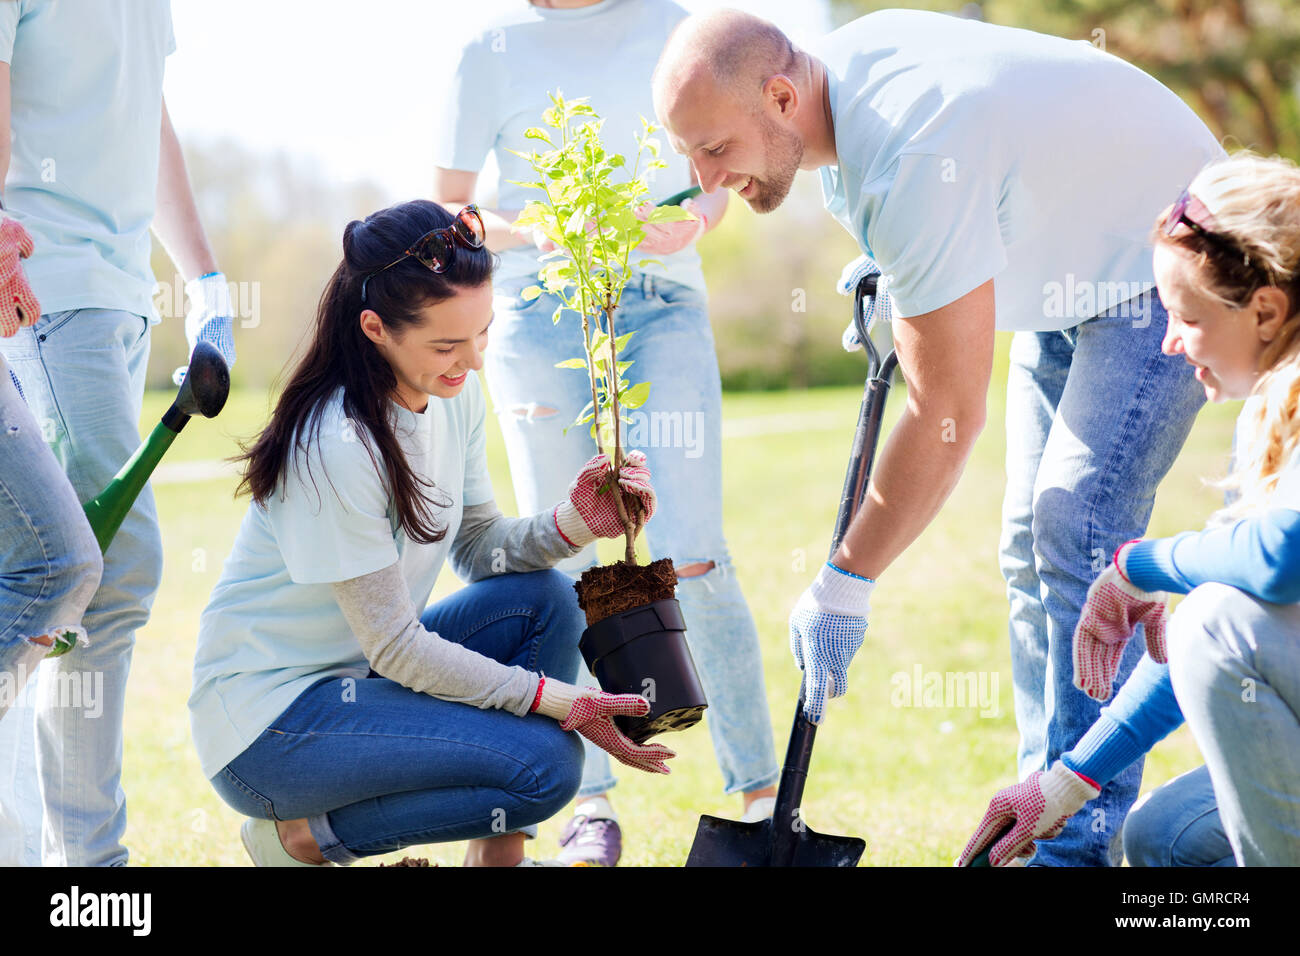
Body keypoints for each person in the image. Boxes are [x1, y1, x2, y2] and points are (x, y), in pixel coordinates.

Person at [653, 8, 1224, 865]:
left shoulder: (908, 142)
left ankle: (1074, 849)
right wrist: (897, 269)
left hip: (1167, 256)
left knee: (1077, 525)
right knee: (1028, 545)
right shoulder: (830, 87)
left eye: (715, 149)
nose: (703, 177)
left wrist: (847, 579)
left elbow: (947, 412)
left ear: (779, 96)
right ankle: (1040, 812)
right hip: (1068, 265)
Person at [189, 199, 676, 867]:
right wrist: (562, 701)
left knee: (545, 602)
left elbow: (480, 548)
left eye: (482, 335)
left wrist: (576, 524)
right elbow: (396, 647)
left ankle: (497, 861)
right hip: (271, 729)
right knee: (547, 765)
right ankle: (300, 838)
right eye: (447, 345)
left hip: (361, 680)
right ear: (376, 329)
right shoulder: (336, 444)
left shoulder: (452, 393)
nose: (473, 362)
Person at [432, 0, 778, 866]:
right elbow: (448, 215)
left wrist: (694, 219)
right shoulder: (487, 50)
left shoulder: (678, 24)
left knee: (695, 551)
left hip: (662, 304)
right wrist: (538, 230)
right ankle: (590, 807)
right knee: (570, 558)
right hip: (539, 317)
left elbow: (716, 175)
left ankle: (763, 800)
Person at [959, 153, 1300, 867]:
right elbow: (1234, 599)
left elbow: (1276, 559)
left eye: (1187, 316)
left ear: (1265, 310)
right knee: (1160, 839)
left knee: (1209, 618)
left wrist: (1135, 565)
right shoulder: (1270, 411)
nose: (1171, 342)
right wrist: (1064, 782)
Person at [0, 0, 237, 866]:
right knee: (101, 570)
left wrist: (202, 273)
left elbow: (148, 114)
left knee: (50, 577)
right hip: (45, 280)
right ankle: (90, 868)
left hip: (119, 293)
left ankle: (34, 853)